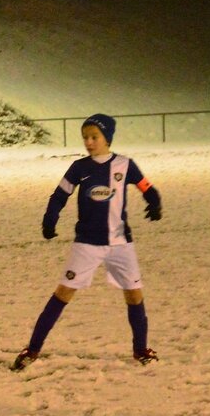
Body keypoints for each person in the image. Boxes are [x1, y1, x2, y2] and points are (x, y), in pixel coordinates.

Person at [12, 114, 162, 371]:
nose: (89, 143)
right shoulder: (79, 168)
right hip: (87, 244)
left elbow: (147, 187)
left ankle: (141, 350)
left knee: (134, 295)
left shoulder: (126, 165)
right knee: (63, 293)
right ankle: (32, 349)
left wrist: (154, 201)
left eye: (94, 137)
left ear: (107, 138)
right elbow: (59, 195)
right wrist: (50, 219)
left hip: (120, 244)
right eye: (85, 138)